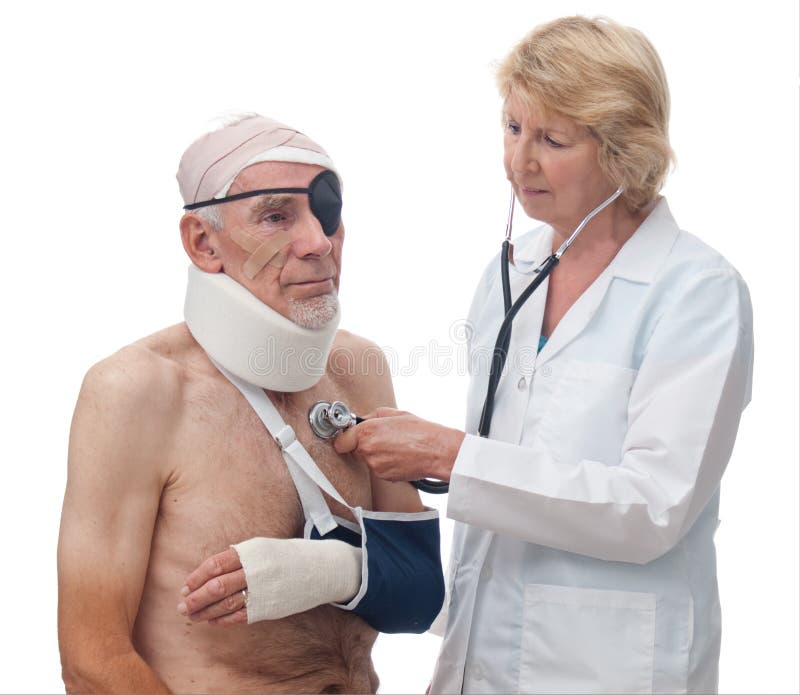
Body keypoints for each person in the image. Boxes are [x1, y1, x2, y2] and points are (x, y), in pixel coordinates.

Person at [331, 16, 754, 694]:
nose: (519, 161)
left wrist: (449, 454)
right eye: (512, 127)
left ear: (625, 150)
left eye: (552, 139)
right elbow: (516, 457)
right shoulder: (513, 272)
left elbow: (654, 506)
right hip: (479, 649)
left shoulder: (695, 293)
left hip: (607, 666)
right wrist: (426, 458)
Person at [57, 114, 442, 694]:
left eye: (325, 211)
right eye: (276, 216)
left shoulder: (357, 371)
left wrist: (333, 571)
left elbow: (418, 598)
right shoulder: (137, 392)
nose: (318, 243)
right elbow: (92, 660)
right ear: (203, 243)